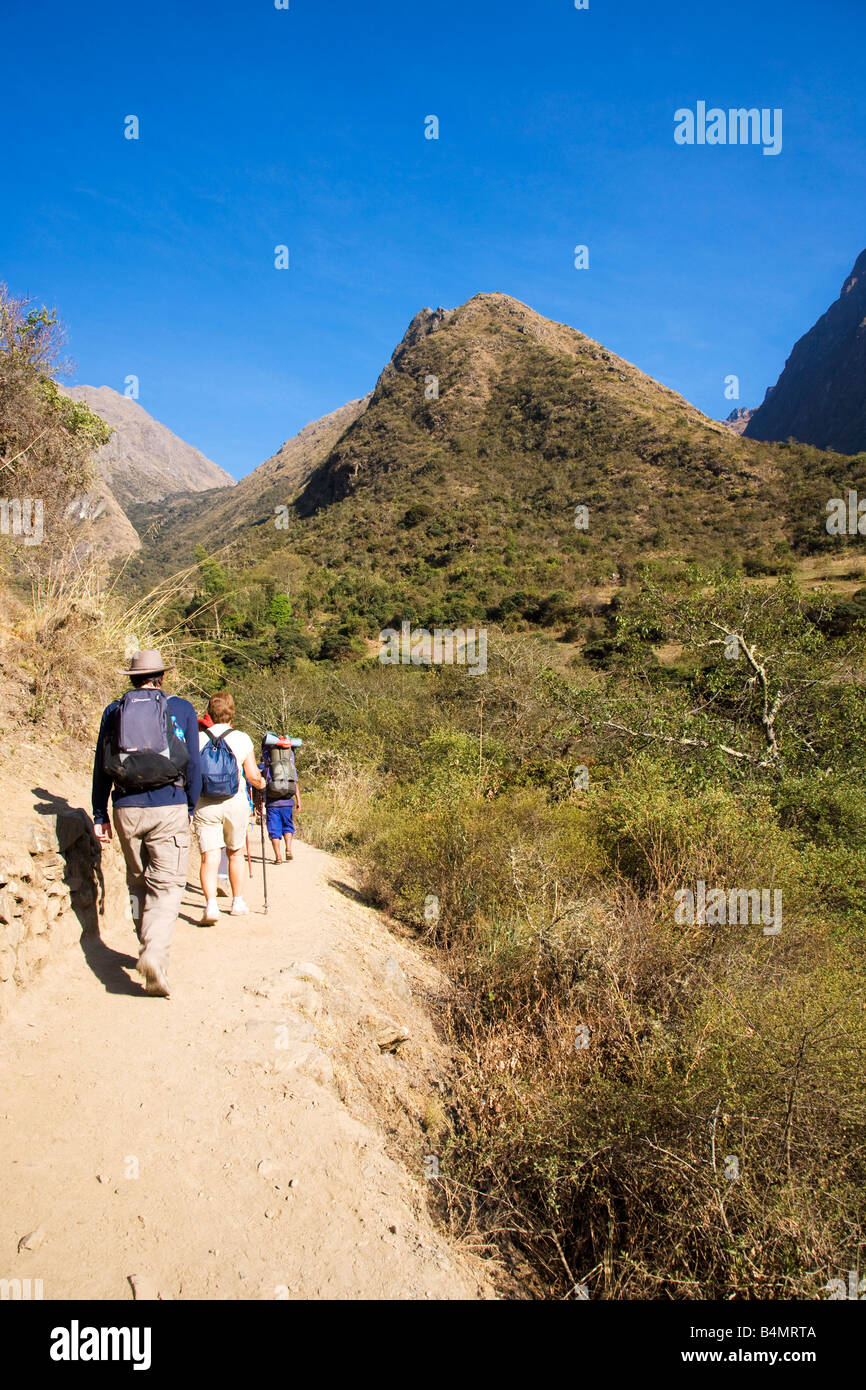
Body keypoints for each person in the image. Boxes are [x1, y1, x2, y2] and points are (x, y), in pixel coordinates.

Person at [92, 649, 202, 999]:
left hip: (125, 806)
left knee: (137, 883)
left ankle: (145, 945)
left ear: (132, 679)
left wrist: (100, 813)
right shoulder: (181, 708)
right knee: (168, 886)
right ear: (162, 677)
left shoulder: (113, 711)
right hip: (168, 804)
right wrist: (190, 804)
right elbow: (193, 764)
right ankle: (154, 953)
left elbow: (101, 764)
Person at [194, 691, 265, 924]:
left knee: (209, 855)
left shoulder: (197, 738)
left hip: (205, 803)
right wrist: (262, 783)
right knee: (235, 853)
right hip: (235, 802)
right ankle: (237, 902)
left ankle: (211, 905)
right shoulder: (242, 738)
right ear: (231, 711)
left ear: (209, 713)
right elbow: (253, 776)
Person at [259, 744, 301, 863]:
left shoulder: (267, 768)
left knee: (274, 830)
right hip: (287, 801)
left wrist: (258, 803)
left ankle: (278, 857)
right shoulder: (289, 767)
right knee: (288, 826)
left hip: (272, 804)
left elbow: (261, 786)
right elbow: (295, 784)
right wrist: (298, 801)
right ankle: (288, 849)